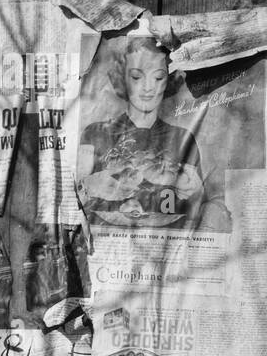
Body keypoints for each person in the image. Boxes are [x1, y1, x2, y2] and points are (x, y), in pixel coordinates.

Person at [77, 36, 227, 229]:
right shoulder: (94, 133)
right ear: (122, 78)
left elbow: (197, 210)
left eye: (158, 77)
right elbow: (73, 202)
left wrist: (197, 194)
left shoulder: (182, 138)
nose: (148, 88)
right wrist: (89, 185)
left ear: (168, 81)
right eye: (137, 77)